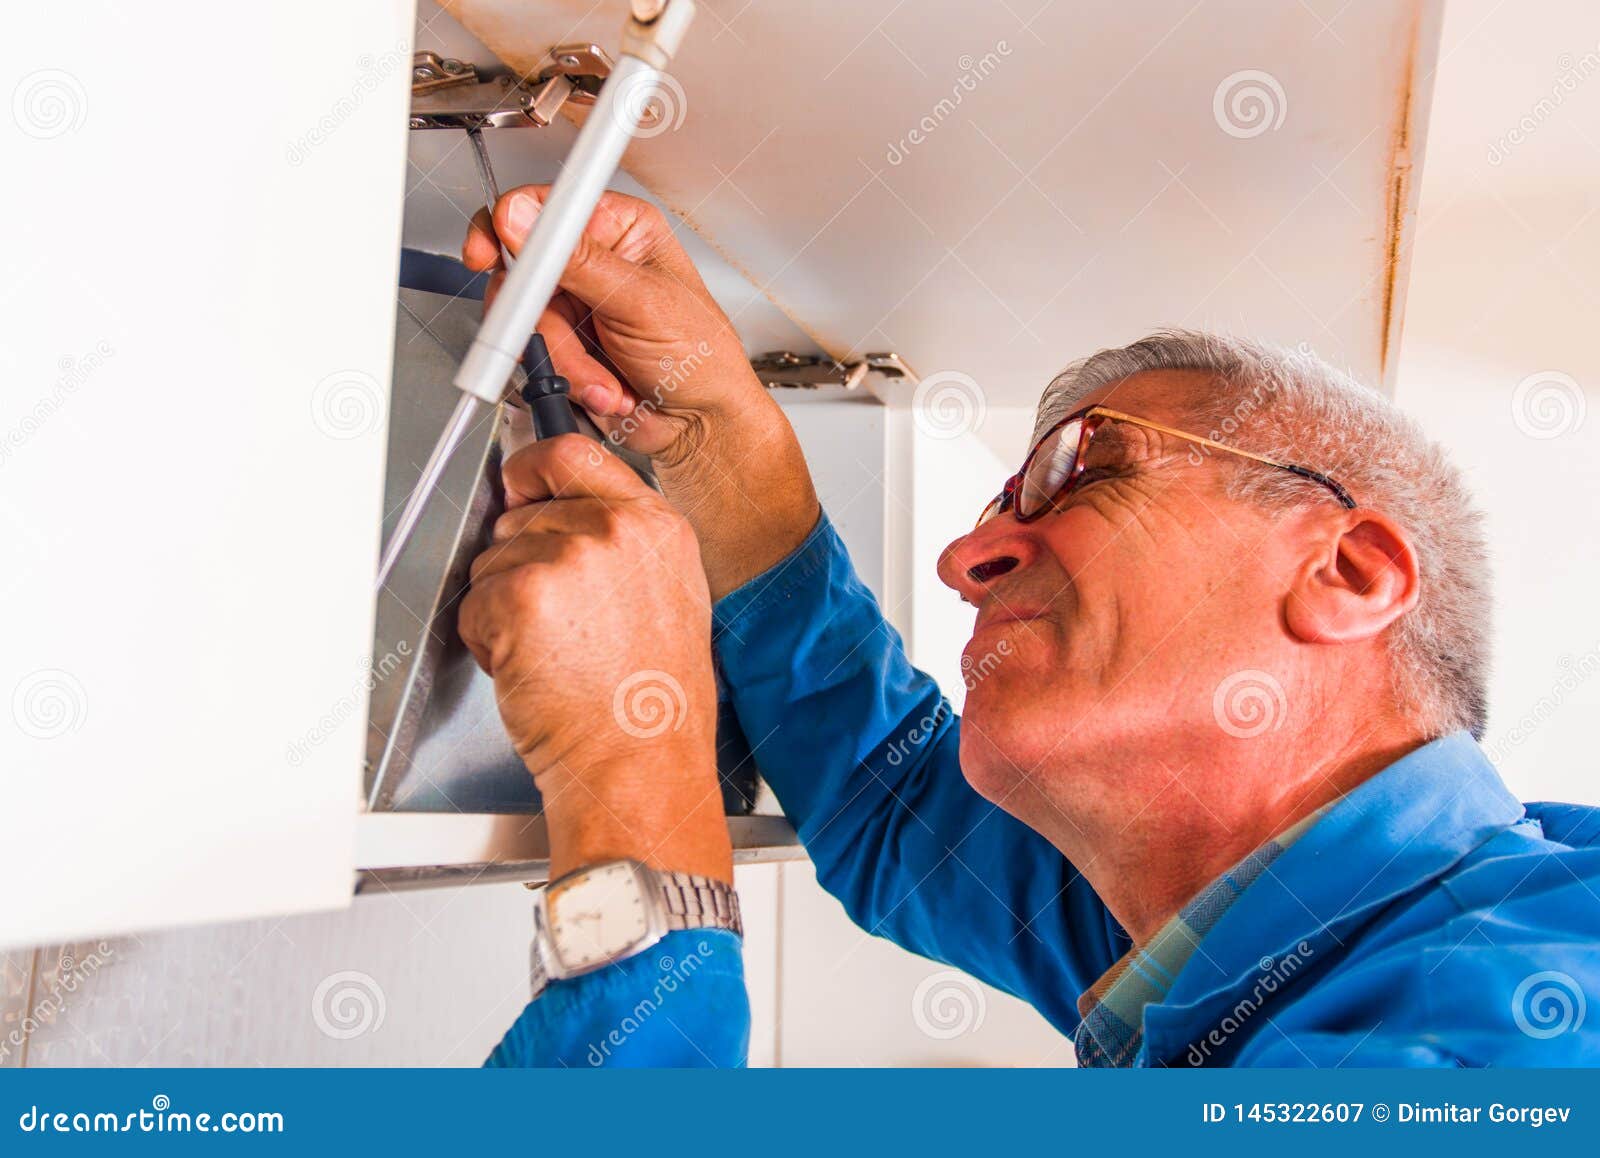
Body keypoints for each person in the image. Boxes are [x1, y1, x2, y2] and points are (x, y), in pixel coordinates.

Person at [462, 187, 1600, 1068]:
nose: (964, 562)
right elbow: (896, 799)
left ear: (1349, 573)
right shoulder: (1249, 933)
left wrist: (632, 763)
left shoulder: (1516, 1035)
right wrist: (714, 440)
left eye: (1082, 471)